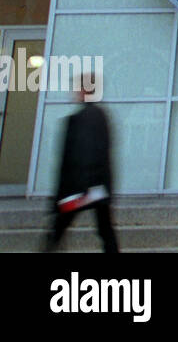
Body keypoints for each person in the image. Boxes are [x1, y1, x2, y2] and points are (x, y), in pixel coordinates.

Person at [46, 74, 118, 253]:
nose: (75, 92)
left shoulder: (82, 119)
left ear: (85, 90)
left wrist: (71, 191)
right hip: (95, 187)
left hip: (81, 189)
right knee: (105, 231)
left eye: (78, 88)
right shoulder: (101, 115)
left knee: (59, 229)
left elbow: (78, 156)